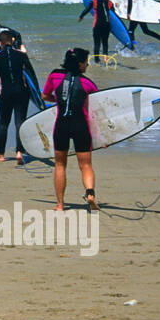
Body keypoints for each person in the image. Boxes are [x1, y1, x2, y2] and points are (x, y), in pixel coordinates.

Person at [41, 48, 99, 211]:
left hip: (61, 126)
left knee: (60, 164)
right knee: (86, 165)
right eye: (86, 61)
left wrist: (59, 101)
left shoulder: (55, 75)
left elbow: (45, 96)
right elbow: (97, 109)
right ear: (80, 63)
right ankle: (90, 194)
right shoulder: (89, 84)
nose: (87, 64)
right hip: (81, 126)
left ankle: (60, 204)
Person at [0, 30, 38, 165]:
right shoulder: (22, 55)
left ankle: (0, 154)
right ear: (12, 41)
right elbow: (31, 74)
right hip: (21, 92)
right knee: (20, 122)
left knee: (4, 123)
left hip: (5, 92)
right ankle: (19, 152)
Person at [78, 0, 117, 64]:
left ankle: (97, 62)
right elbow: (114, 16)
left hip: (98, 25)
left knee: (97, 44)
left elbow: (87, 9)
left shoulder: (94, 1)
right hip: (107, 25)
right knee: (105, 43)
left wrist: (81, 16)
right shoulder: (109, 2)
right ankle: (105, 60)